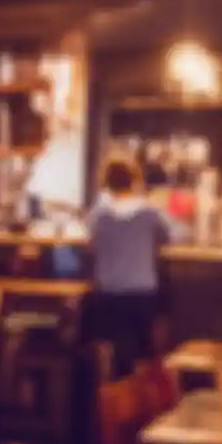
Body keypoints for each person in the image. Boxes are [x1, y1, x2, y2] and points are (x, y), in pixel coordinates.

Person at [87, 158, 173, 378]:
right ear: (135, 180)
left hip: (109, 293)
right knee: (143, 352)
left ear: (106, 182)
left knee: (109, 346)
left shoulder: (98, 216)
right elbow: (168, 237)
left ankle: (110, 391)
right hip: (142, 293)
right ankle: (141, 392)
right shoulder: (149, 214)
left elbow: (90, 245)